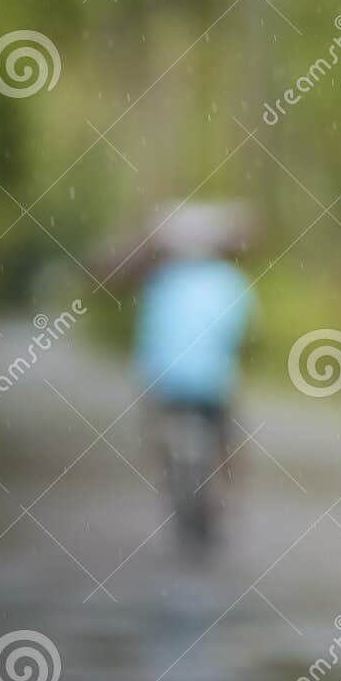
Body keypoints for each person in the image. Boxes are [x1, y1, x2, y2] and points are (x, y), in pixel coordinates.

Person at [123, 201, 257, 543]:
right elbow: (243, 333)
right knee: (227, 438)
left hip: (164, 381)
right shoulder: (229, 281)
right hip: (212, 383)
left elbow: (147, 333)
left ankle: (167, 478)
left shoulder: (161, 281)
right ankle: (228, 488)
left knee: (157, 435)